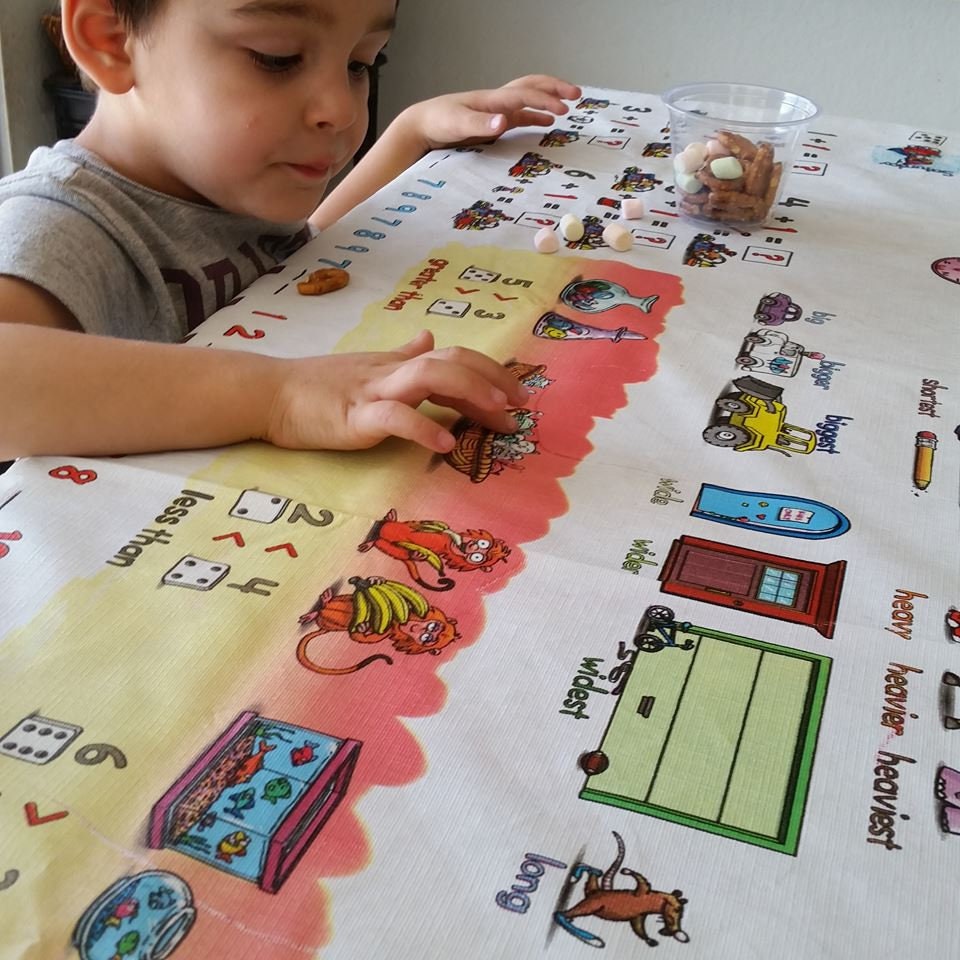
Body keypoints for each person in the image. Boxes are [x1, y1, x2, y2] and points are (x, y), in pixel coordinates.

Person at [0, 0, 581, 461]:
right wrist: (276, 397)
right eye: (276, 56)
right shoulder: (63, 220)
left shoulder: (218, 179)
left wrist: (410, 135)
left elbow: (302, 262)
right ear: (112, 39)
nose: (343, 109)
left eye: (360, 64)